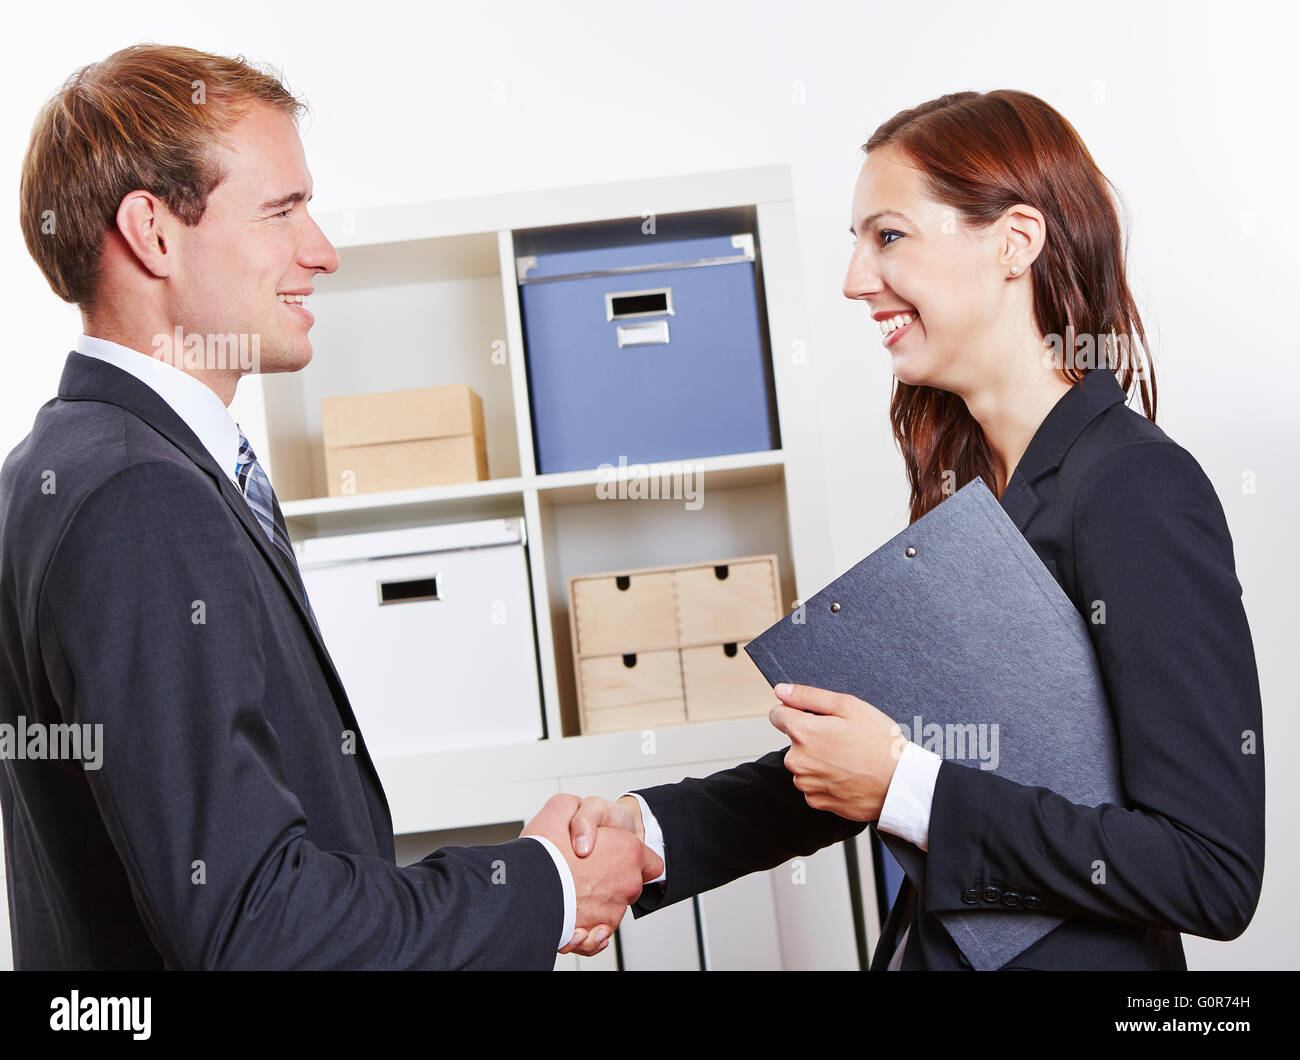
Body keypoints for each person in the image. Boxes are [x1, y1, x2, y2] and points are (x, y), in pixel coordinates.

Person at [562, 90, 1266, 969]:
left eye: (888, 236)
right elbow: (860, 766)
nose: (856, 278)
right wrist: (644, 831)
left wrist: (904, 785)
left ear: (1015, 241)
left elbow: (1209, 870)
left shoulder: (1135, 488)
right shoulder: (975, 488)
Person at [0, 43, 658, 970]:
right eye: (281, 210)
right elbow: (257, 930)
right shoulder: (136, 495)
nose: (323, 251)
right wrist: (543, 885)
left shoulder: (67, 464)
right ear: (153, 232)